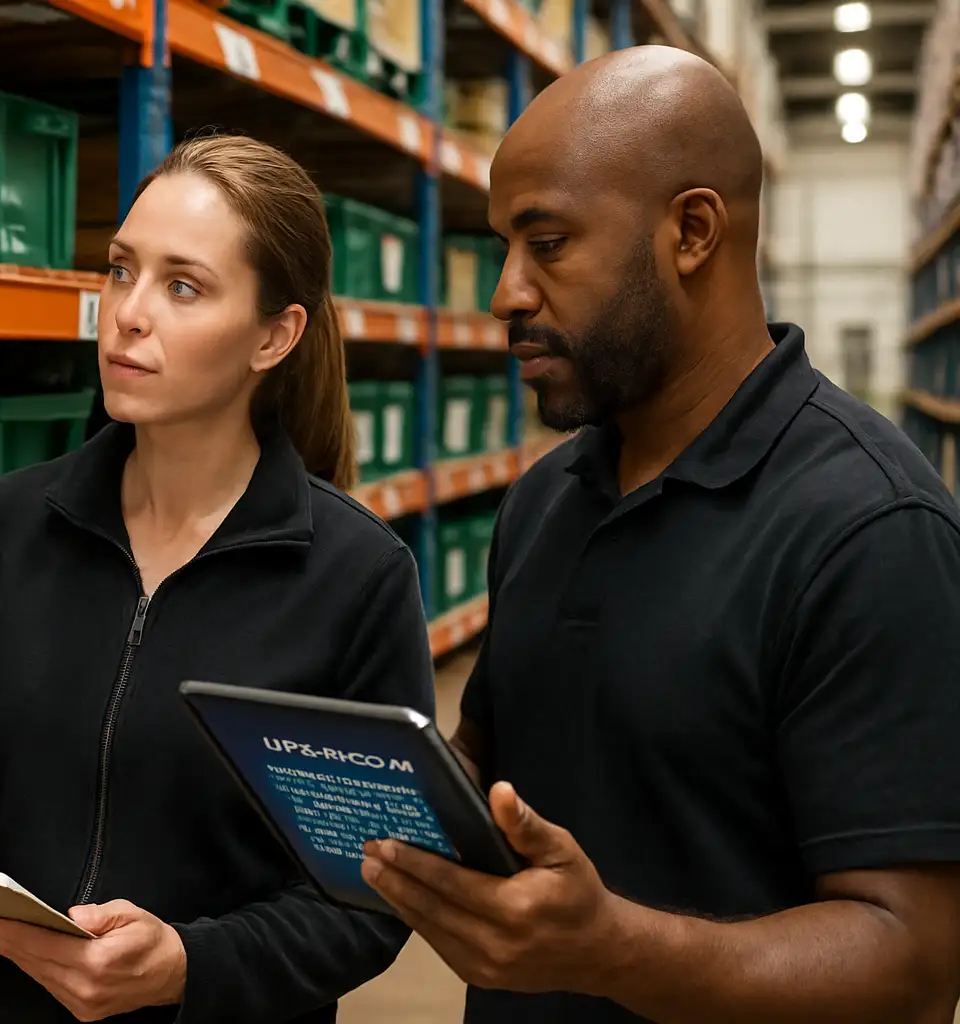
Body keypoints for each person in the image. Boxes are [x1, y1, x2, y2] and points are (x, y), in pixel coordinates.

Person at [360, 44, 960, 1023]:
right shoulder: (545, 498)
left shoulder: (870, 532)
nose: (506, 292)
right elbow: (495, 757)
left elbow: (915, 962)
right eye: (505, 246)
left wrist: (612, 950)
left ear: (691, 232)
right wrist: (351, 778)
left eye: (548, 242)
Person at [0, 134, 434, 1023]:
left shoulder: (356, 578)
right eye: (122, 271)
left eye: (183, 286)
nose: (128, 313)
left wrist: (191, 964)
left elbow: (371, 895)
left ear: (275, 336)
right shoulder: (8, 525)